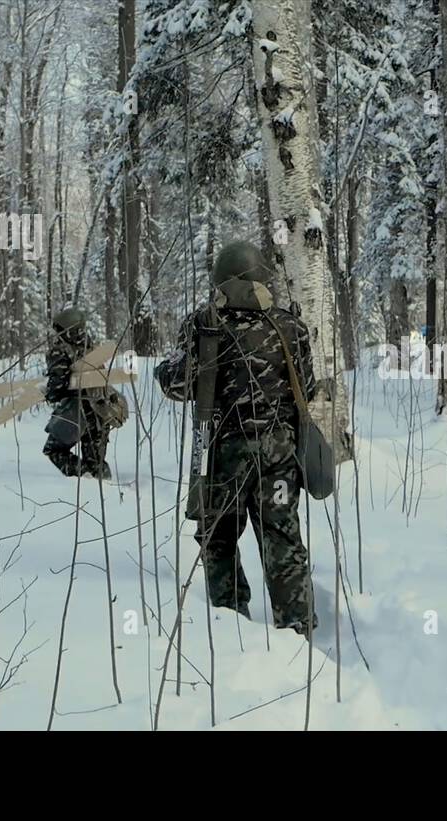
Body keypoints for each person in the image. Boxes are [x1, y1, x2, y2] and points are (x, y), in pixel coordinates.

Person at [155, 241, 319, 636]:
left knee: (218, 537)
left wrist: (166, 367)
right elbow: (308, 389)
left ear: (221, 281)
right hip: (280, 455)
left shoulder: (204, 324)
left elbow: (177, 386)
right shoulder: (289, 326)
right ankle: (298, 626)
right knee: (281, 535)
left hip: (221, 456)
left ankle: (230, 627)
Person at [43, 307, 113, 480]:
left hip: (77, 412)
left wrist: (49, 393)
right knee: (96, 463)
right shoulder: (91, 348)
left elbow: (58, 386)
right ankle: (103, 489)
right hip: (102, 412)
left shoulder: (60, 350)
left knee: (53, 450)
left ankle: (84, 477)